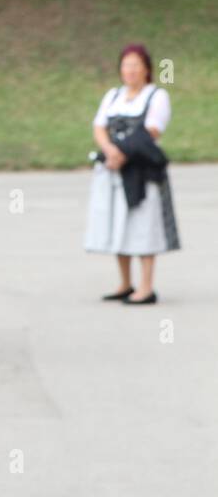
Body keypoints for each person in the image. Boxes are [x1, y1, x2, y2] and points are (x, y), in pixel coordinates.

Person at [84, 44, 179, 303]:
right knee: (118, 222)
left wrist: (120, 153)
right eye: (126, 65)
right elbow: (99, 126)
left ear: (147, 69)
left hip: (141, 169)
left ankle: (146, 286)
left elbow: (152, 132)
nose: (131, 70)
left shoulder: (156, 96)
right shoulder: (113, 96)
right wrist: (108, 150)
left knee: (142, 225)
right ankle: (125, 282)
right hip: (114, 169)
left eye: (136, 65)